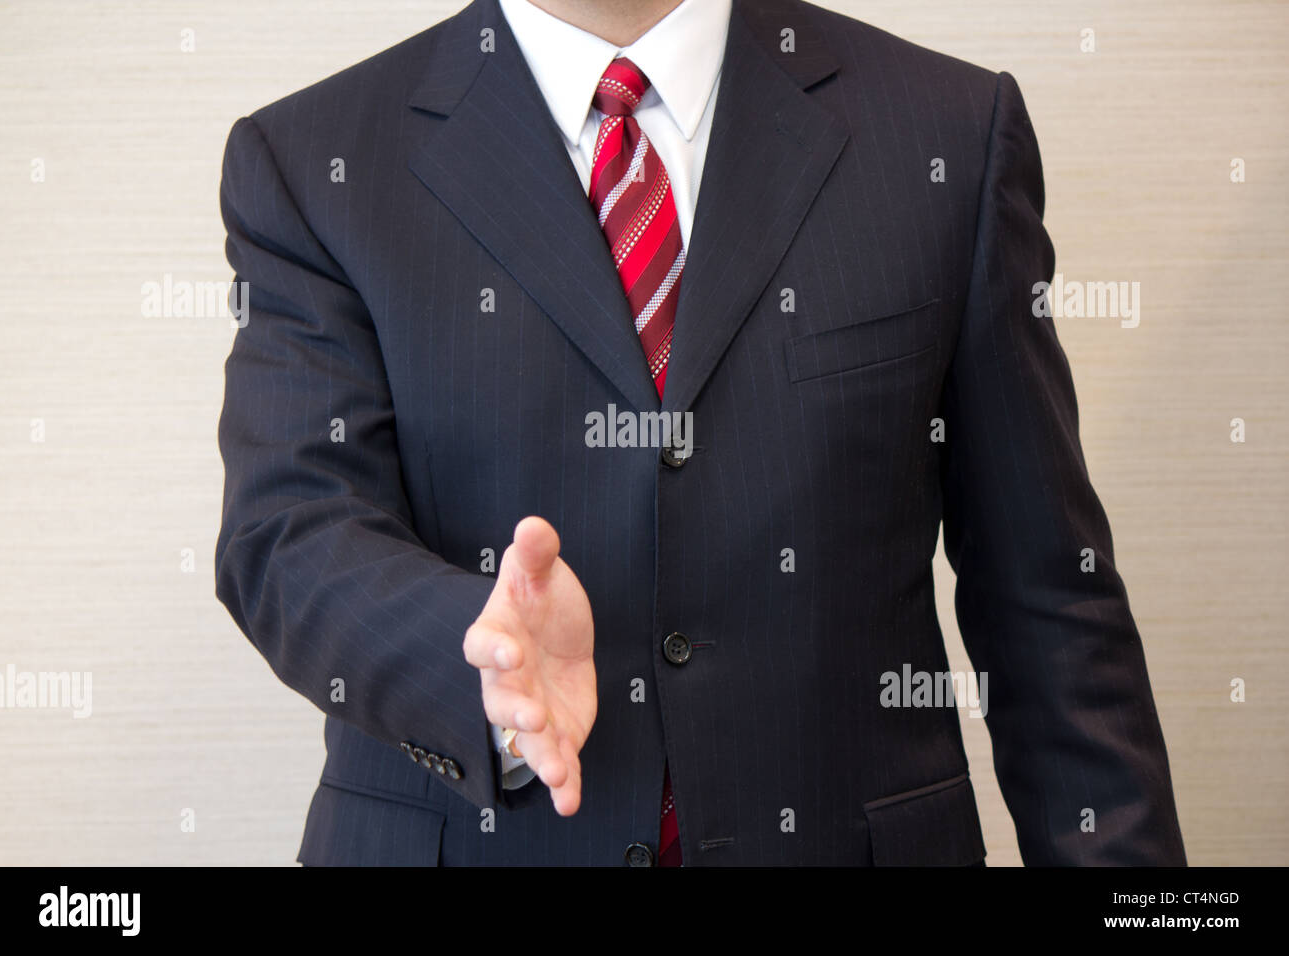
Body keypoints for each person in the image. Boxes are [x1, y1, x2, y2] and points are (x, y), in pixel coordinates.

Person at [214, 0, 1187, 866]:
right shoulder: (314, 163)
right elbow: (288, 536)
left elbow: (1048, 599)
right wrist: (480, 659)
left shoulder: (948, 133)